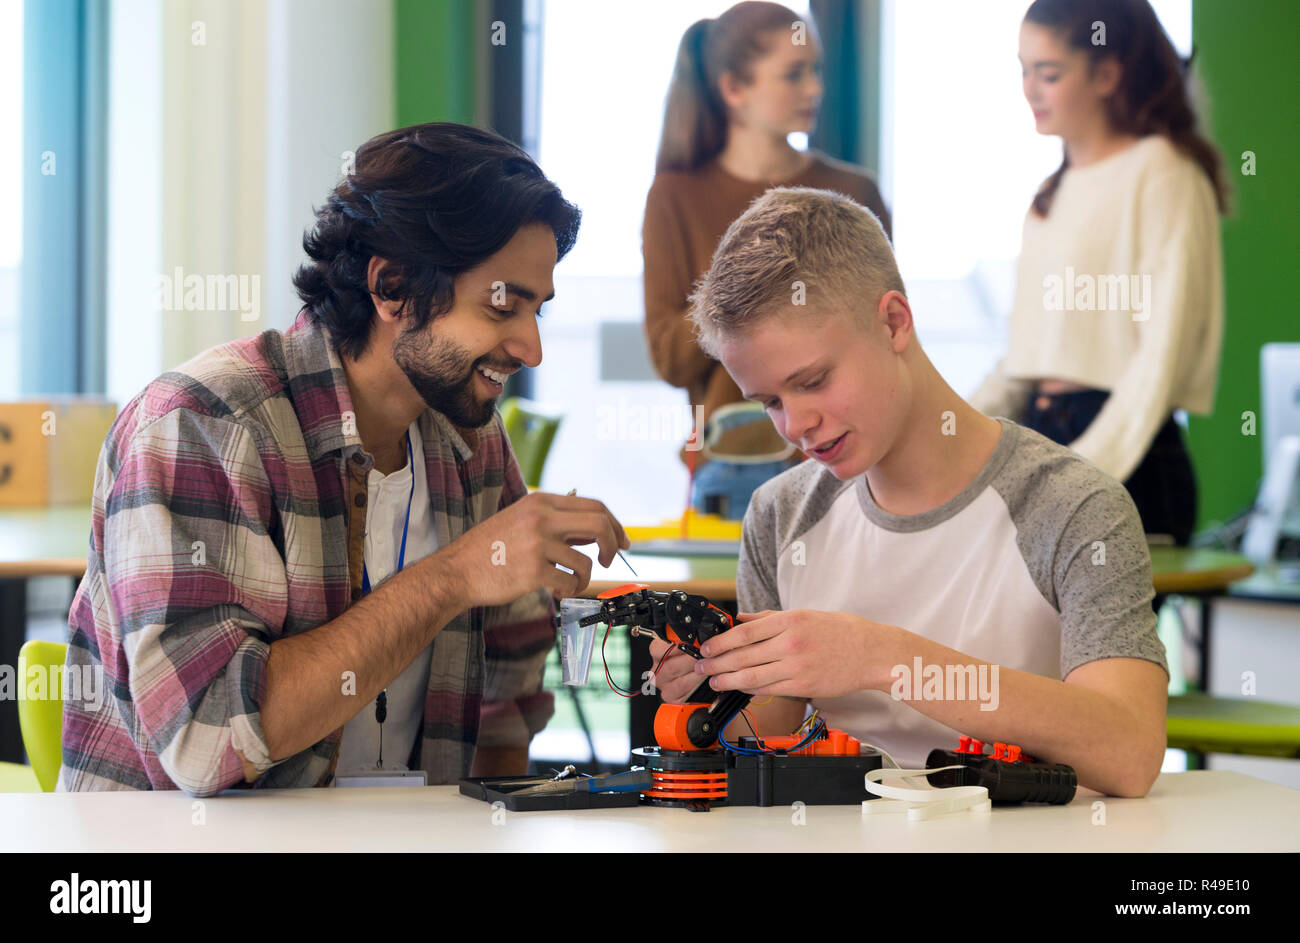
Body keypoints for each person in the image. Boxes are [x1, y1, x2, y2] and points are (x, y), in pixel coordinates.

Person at [60, 123, 630, 796]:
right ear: (391, 287)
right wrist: (451, 577)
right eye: (503, 305)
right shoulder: (203, 425)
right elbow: (206, 737)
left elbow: (509, 681)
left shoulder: (473, 444)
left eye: (539, 311)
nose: (531, 349)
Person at [651, 187, 1168, 798]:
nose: (795, 425)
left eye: (813, 381)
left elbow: (1129, 750)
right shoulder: (780, 514)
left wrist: (886, 658)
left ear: (895, 321)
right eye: (769, 401)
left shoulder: (1072, 506)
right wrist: (715, 689)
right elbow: (772, 727)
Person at [970, 0, 1227, 546]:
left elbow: (1160, 359)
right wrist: (945, 432)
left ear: (1108, 75)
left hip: (1126, 458)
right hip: (1044, 444)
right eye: (1023, 69)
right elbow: (1023, 362)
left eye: (1049, 73)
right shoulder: (1049, 197)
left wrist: (1078, 473)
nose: (1029, 89)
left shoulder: (1164, 173)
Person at [643, 0, 892, 515]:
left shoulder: (854, 189)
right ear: (734, 89)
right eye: (795, 74)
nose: (815, 89)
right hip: (732, 464)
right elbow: (669, 357)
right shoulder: (675, 195)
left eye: (817, 71)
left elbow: (885, 332)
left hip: (849, 456)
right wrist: (747, 283)